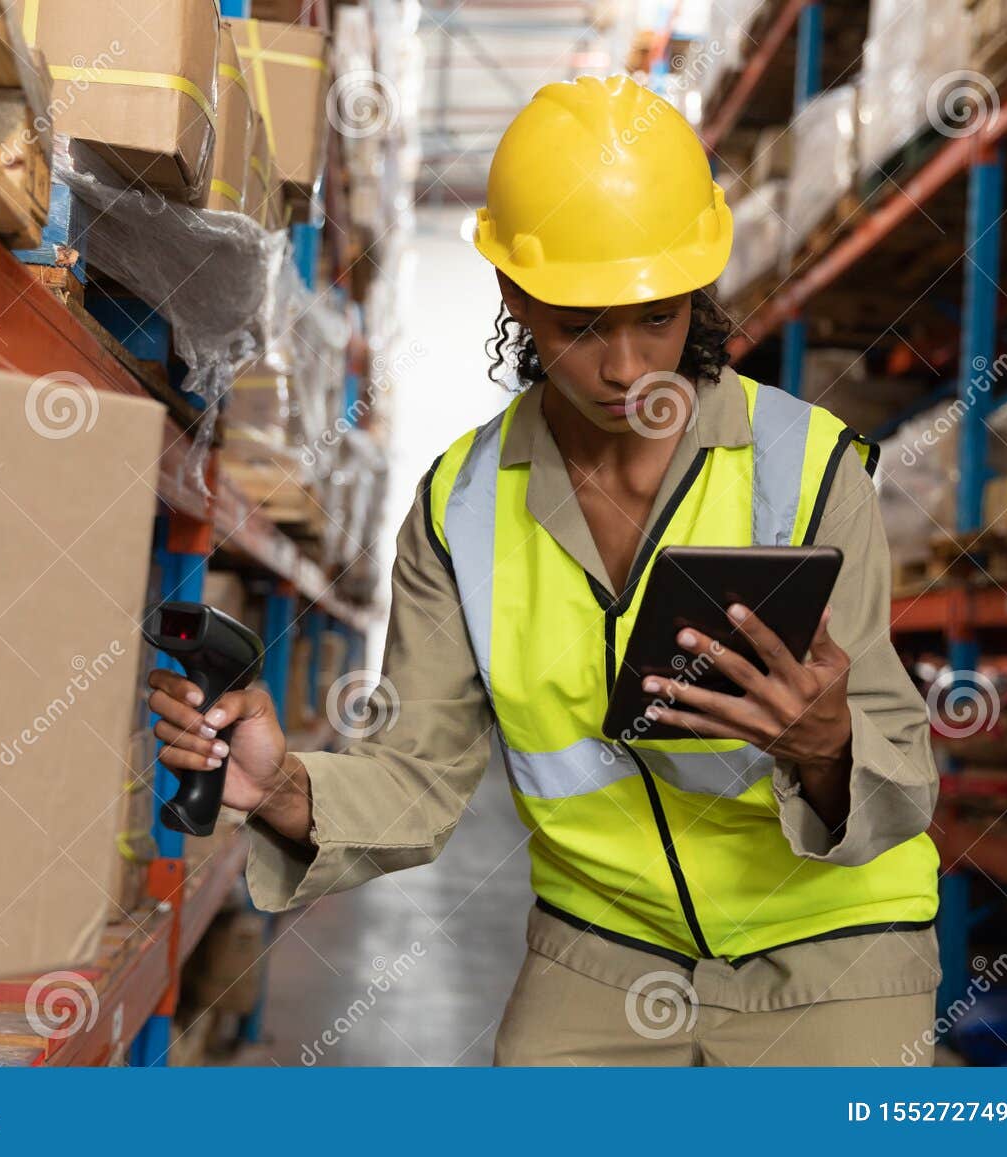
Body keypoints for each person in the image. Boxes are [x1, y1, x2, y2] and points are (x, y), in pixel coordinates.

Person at [146, 74, 941, 1066]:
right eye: (580, 323)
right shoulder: (458, 509)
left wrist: (828, 747)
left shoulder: (811, 467)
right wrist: (282, 790)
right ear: (514, 294)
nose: (623, 369)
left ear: (695, 290)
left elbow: (903, 771)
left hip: (830, 942)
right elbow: (418, 774)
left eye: (654, 317)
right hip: (597, 947)